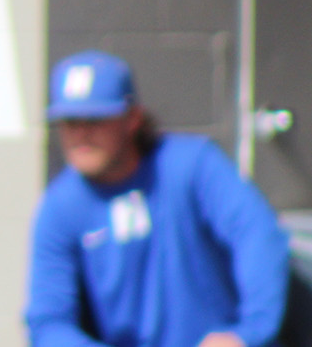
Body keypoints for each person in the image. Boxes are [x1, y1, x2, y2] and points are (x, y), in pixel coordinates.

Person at [24, 49, 291, 347]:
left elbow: (258, 233)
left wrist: (248, 332)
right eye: (71, 122)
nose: (81, 135)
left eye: (95, 120)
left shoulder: (191, 164)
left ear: (132, 118)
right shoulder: (60, 206)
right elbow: (47, 322)